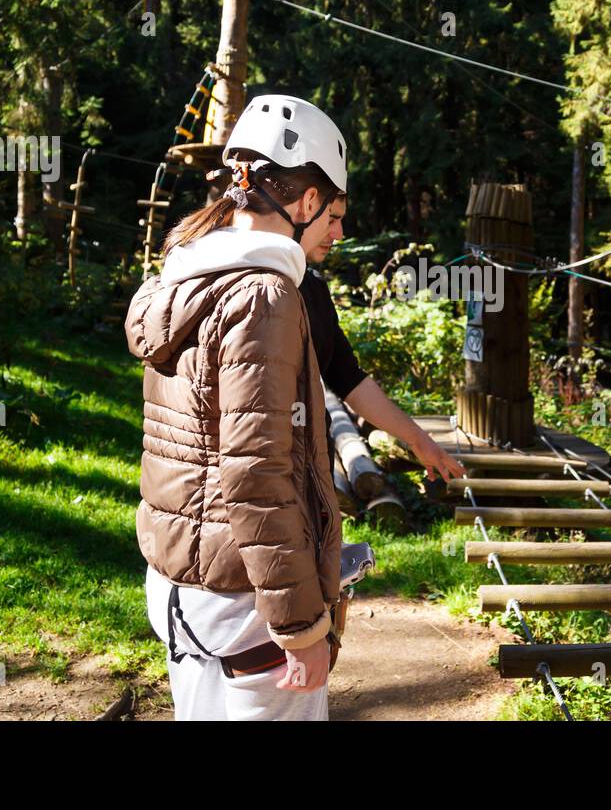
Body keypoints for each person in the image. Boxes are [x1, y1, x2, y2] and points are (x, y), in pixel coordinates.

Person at [124, 94, 347, 720]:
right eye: (332, 212)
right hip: (246, 607)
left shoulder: (186, 278)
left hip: (180, 591)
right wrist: (303, 625)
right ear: (304, 203)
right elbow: (254, 475)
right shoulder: (265, 295)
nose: (337, 231)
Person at [299, 193, 467, 484]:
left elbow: (350, 379)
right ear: (303, 207)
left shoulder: (313, 288)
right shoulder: (251, 287)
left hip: (309, 476)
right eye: (332, 219)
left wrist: (418, 440)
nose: (338, 234)